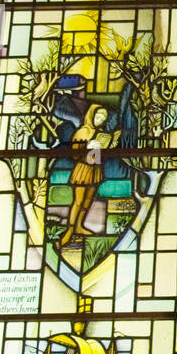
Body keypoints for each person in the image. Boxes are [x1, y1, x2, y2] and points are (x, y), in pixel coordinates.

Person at [58, 105, 120, 249]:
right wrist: (87, 146)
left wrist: (109, 146)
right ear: (91, 115)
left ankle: (79, 226)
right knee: (78, 202)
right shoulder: (83, 131)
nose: (100, 121)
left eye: (103, 119)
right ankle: (69, 231)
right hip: (83, 169)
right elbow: (73, 154)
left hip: (94, 169)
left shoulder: (100, 134)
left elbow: (97, 158)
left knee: (87, 202)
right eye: (98, 117)